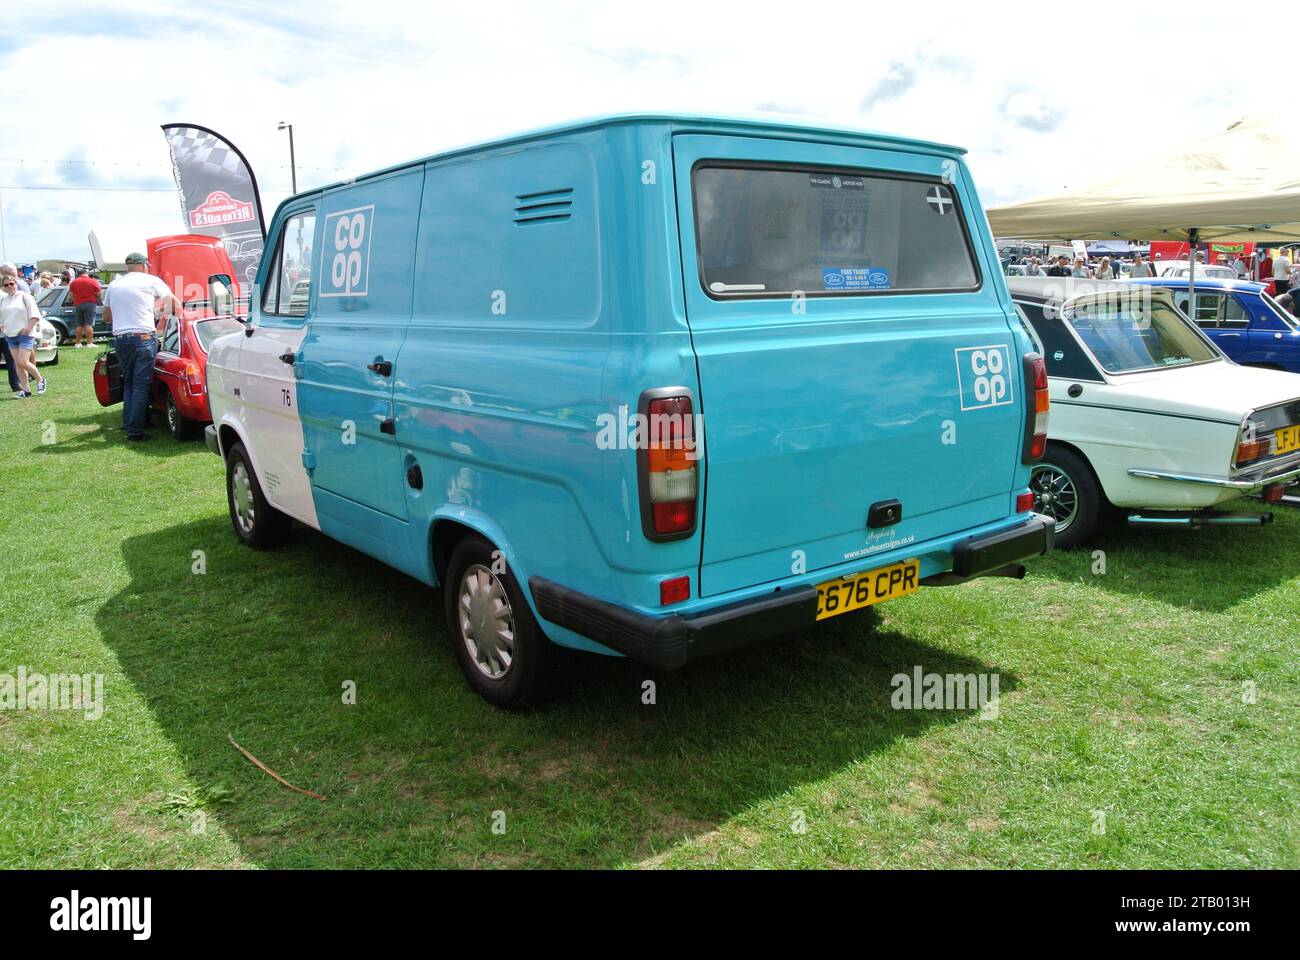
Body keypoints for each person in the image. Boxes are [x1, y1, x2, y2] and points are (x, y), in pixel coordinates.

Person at [103, 252, 182, 441]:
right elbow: (175, 305)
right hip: (144, 336)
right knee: (140, 384)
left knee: (128, 381)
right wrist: (159, 312)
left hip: (121, 338)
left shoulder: (114, 285)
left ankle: (128, 422)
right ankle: (135, 431)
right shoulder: (150, 280)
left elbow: (107, 317)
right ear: (143, 266)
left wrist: (143, 313)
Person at [1, 274, 45, 397]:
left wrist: (27, 329)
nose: (9, 286)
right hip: (10, 335)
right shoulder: (4, 300)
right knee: (18, 364)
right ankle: (26, 390)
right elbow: (2, 317)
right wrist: (3, 327)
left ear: (16, 283)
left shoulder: (25, 297)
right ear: (3, 287)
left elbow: (35, 315)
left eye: (11, 283)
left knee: (23, 361)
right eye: (6, 285)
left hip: (25, 334)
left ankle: (40, 380)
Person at [68, 267, 101, 348]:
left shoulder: (74, 282)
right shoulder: (93, 281)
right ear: (86, 274)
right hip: (90, 304)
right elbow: (99, 293)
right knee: (88, 324)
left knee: (79, 325)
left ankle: (78, 343)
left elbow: (71, 295)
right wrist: (94, 296)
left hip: (78, 304)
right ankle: (89, 343)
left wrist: (75, 301)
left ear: (79, 274)